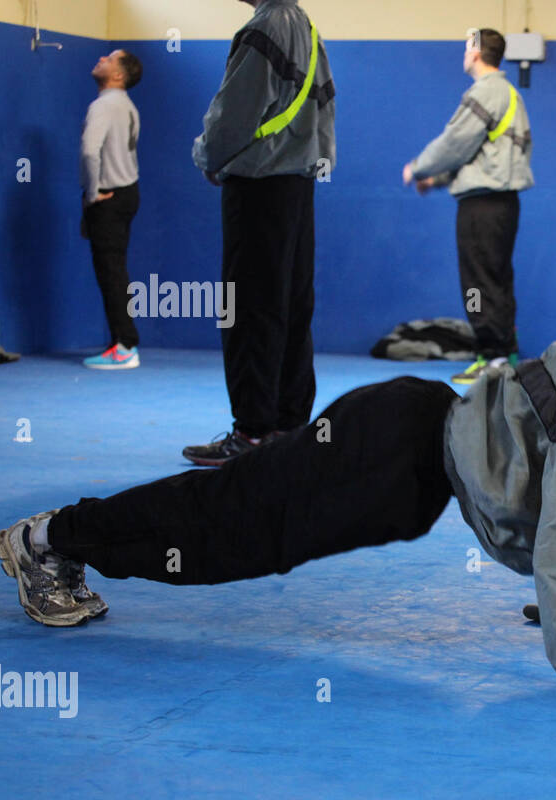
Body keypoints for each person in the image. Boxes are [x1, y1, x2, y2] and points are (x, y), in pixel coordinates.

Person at [0, 291, 556, 711]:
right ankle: (50, 540)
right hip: (391, 445)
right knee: (223, 523)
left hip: (413, 469)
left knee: (235, 534)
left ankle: (63, 539)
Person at [185, 0, 336, 466]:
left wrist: (208, 157)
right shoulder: (308, 31)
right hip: (297, 185)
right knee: (291, 305)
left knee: (249, 307)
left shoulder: (263, 28)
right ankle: (288, 427)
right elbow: (326, 107)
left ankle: (251, 433)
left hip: (257, 187)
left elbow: (235, 113)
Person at [402, 28, 533, 386]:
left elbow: (455, 143)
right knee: (496, 280)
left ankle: (492, 360)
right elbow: (480, 154)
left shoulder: (486, 92)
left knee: (479, 283)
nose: (463, 53)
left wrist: (419, 168)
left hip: (482, 206)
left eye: (465, 47)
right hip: (502, 204)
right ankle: (501, 355)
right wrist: (439, 180)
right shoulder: (508, 94)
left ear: (475, 52)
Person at [80, 49, 143, 370]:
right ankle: (122, 342)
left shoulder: (104, 105)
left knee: (112, 273)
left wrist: (93, 193)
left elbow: (90, 151)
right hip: (128, 193)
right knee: (115, 271)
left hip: (109, 196)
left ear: (119, 75)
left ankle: (124, 346)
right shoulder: (129, 107)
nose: (101, 58)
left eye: (109, 58)